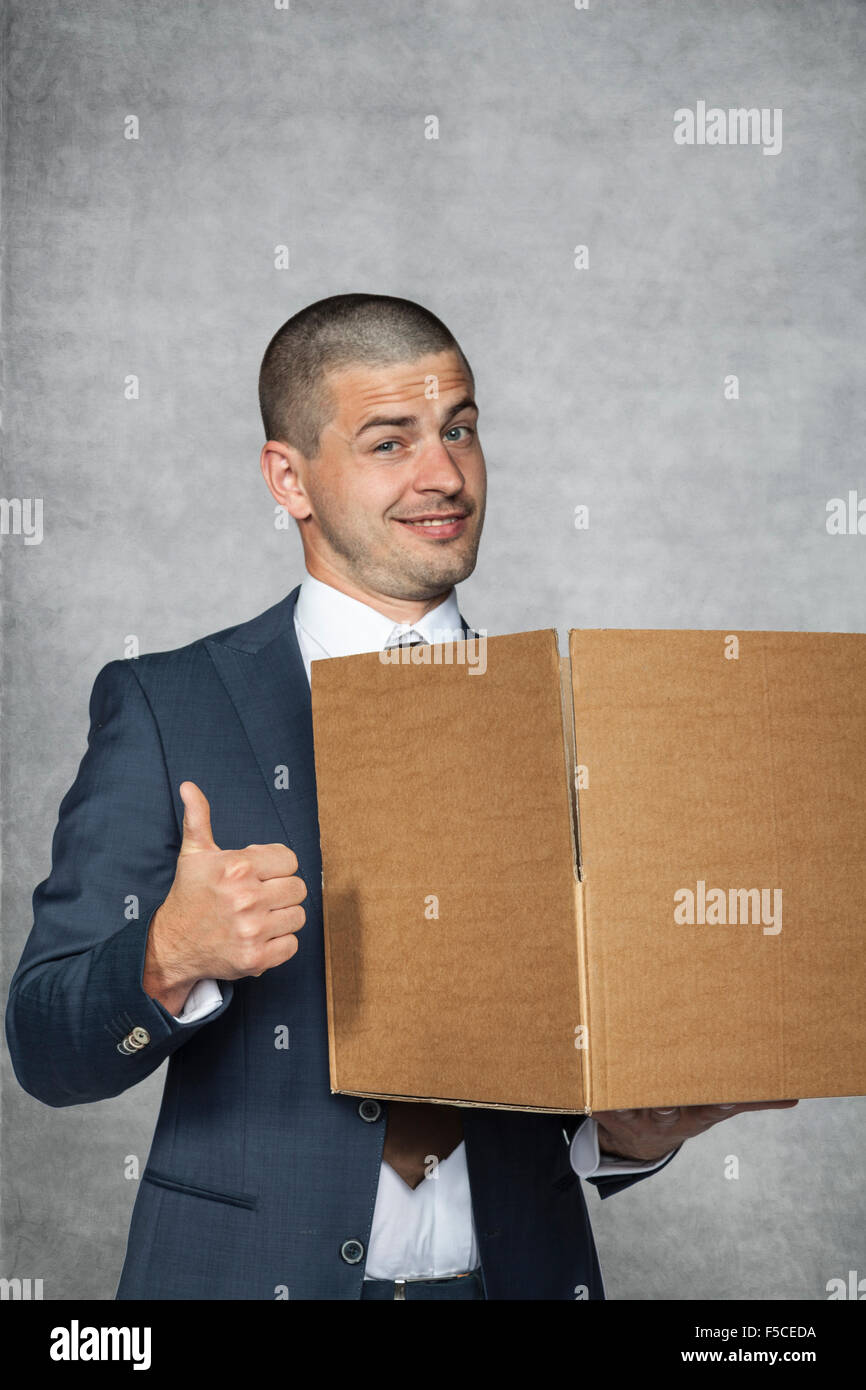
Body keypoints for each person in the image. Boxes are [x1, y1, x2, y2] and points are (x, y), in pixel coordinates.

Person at [5, 293, 798, 1300]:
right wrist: (166, 955)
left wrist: (631, 1132)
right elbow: (44, 1047)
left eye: (458, 429)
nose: (443, 474)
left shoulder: (577, 719)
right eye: (391, 441)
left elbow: (595, 1043)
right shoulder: (168, 706)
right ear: (286, 478)